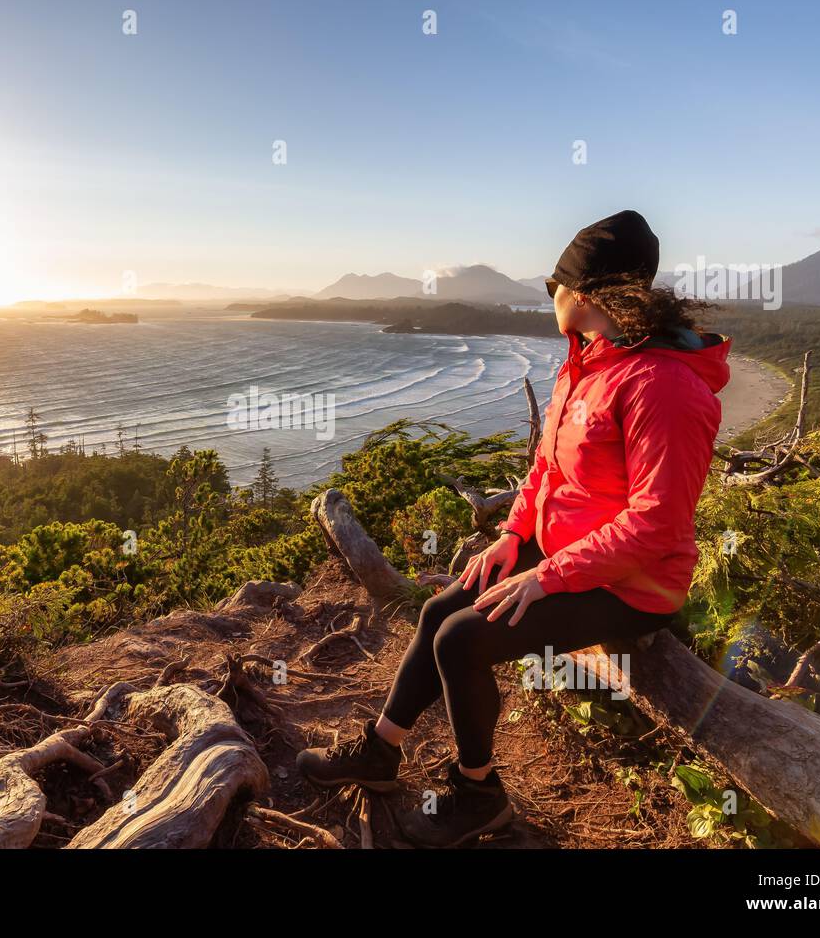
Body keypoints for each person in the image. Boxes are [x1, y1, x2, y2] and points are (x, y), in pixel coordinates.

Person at [296, 210, 729, 847]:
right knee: (440, 608)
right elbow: (547, 471)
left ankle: (478, 793)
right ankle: (381, 751)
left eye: (554, 286)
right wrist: (512, 535)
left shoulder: (662, 385)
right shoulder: (586, 364)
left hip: (632, 586)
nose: (550, 298)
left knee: (462, 640)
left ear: (581, 293)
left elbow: (658, 523)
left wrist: (549, 577)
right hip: (565, 553)